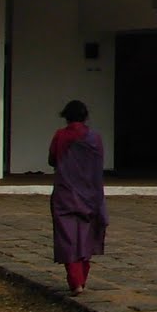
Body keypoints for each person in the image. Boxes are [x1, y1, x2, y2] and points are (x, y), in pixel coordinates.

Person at [48, 100, 108, 295]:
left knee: (67, 238)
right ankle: (81, 278)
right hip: (90, 196)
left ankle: (75, 282)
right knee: (85, 237)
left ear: (66, 116)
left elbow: (52, 160)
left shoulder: (61, 136)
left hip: (65, 194)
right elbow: (97, 165)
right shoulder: (95, 138)